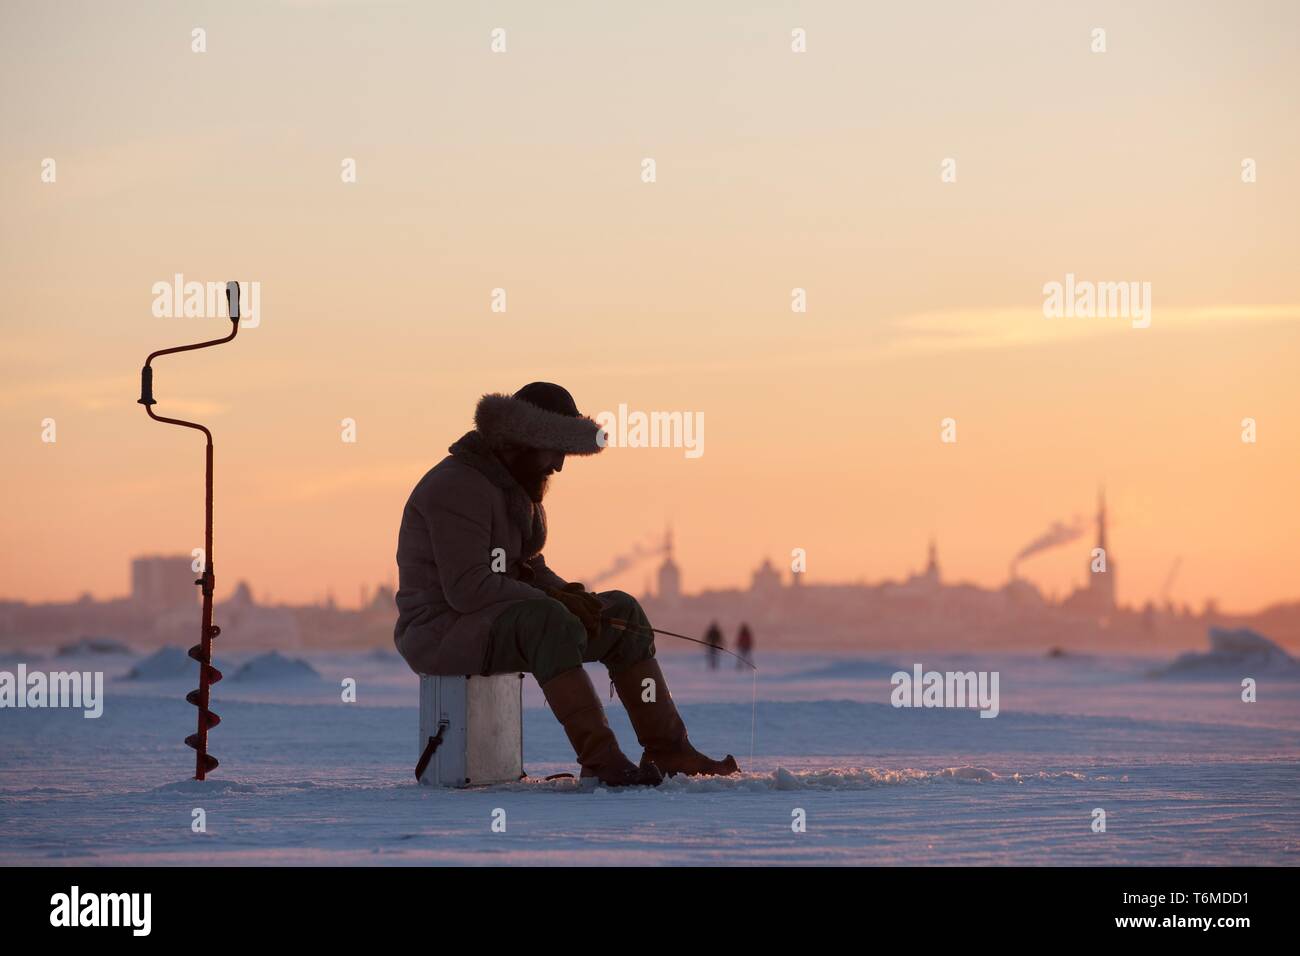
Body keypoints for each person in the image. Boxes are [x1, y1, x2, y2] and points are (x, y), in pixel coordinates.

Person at [393, 383, 738, 787]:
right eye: (554, 450)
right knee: (548, 621)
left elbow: (527, 568)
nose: (558, 466)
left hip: (496, 622)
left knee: (623, 613)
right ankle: (602, 759)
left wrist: (570, 595)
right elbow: (468, 587)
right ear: (523, 440)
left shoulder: (514, 487)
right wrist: (554, 601)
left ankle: (669, 749)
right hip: (441, 631)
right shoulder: (457, 486)